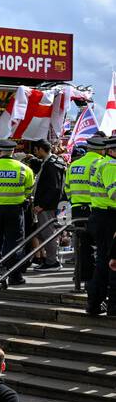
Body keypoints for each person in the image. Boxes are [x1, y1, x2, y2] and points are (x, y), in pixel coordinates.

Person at [0, 139, 34, 286]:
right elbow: (29, 191)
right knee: (14, 243)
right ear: (13, 152)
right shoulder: (24, 169)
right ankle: (14, 275)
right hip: (15, 211)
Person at [85, 135, 116, 315]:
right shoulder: (112, 166)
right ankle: (111, 305)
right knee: (110, 263)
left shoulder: (101, 163)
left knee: (103, 261)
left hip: (100, 215)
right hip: (109, 217)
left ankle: (95, 303)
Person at [64, 139, 100, 292]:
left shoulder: (74, 165)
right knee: (102, 246)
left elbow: (67, 189)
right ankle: (97, 281)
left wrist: (76, 201)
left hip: (78, 210)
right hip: (96, 209)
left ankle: (85, 279)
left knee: (83, 246)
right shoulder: (100, 163)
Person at [29, 140, 66, 270]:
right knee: (44, 233)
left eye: (35, 150)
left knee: (48, 233)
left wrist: (43, 205)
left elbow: (54, 188)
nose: (34, 153)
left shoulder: (51, 165)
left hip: (47, 206)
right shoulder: (52, 162)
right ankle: (49, 260)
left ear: (41, 149)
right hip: (49, 205)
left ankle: (52, 262)